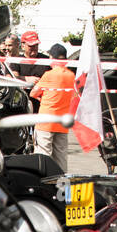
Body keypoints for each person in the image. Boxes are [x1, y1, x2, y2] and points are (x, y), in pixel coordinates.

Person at [30, 44, 75, 172]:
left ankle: (42, 184)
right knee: (61, 158)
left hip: (45, 121)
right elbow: (74, 95)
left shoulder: (49, 75)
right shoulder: (71, 75)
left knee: (43, 155)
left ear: (52, 58)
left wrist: (42, 98)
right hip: (62, 122)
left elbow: (33, 93)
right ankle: (61, 184)